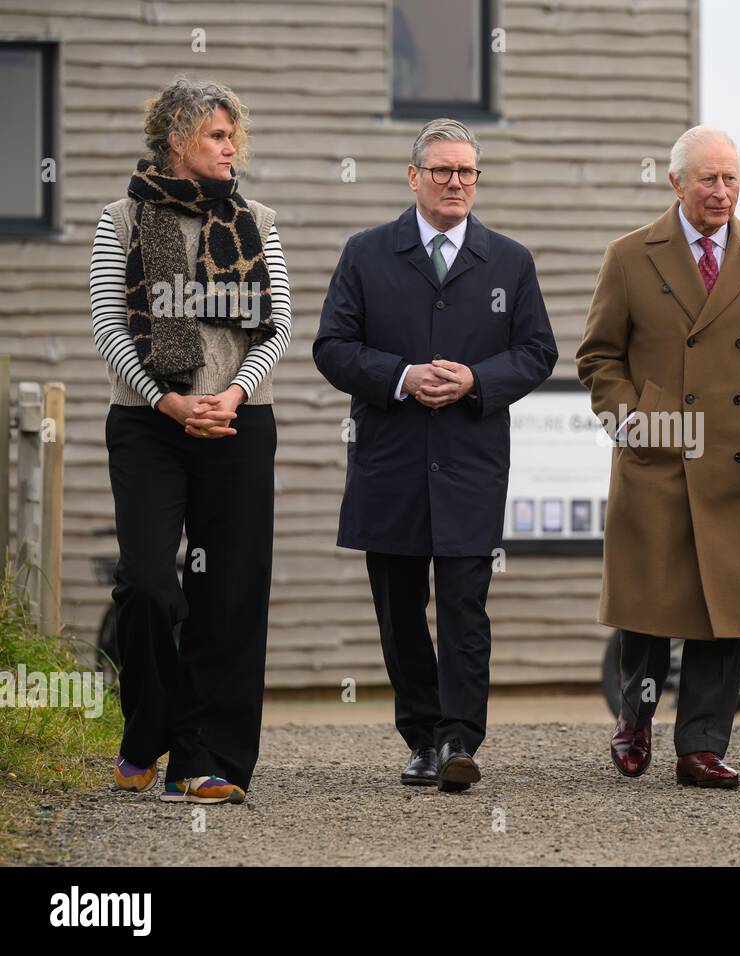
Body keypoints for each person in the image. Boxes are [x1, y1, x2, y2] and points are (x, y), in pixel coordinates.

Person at [313, 119, 557, 792]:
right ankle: (420, 736)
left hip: (471, 461)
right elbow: (331, 346)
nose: (457, 182)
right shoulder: (366, 254)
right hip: (389, 461)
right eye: (444, 171)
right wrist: (402, 376)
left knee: (463, 606)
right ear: (413, 176)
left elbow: (539, 351)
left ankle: (458, 738)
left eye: (468, 172)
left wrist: (478, 380)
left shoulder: (510, 261)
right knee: (399, 609)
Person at [577, 126, 740, 789]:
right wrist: (635, 422)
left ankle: (702, 747)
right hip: (658, 459)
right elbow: (598, 356)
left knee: (725, 616)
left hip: (739, 464)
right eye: (708, 178)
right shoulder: (629, 256)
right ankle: (635, 721)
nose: (721, 191)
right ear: (675, 182)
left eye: (731, 178)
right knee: (650, 612)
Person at [92, 78, 291, 804]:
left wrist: (231, 394)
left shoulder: (257, 220)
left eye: (233, 134)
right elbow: (110, 327)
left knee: (230, 592)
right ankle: (147, 731)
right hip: (148, 424)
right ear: (176, 140)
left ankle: (207, 760)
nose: (230, 145)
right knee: (147, 584)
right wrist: (171, 402)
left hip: (239, 422)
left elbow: (278, 327)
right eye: (216, 135)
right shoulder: (120, 220)